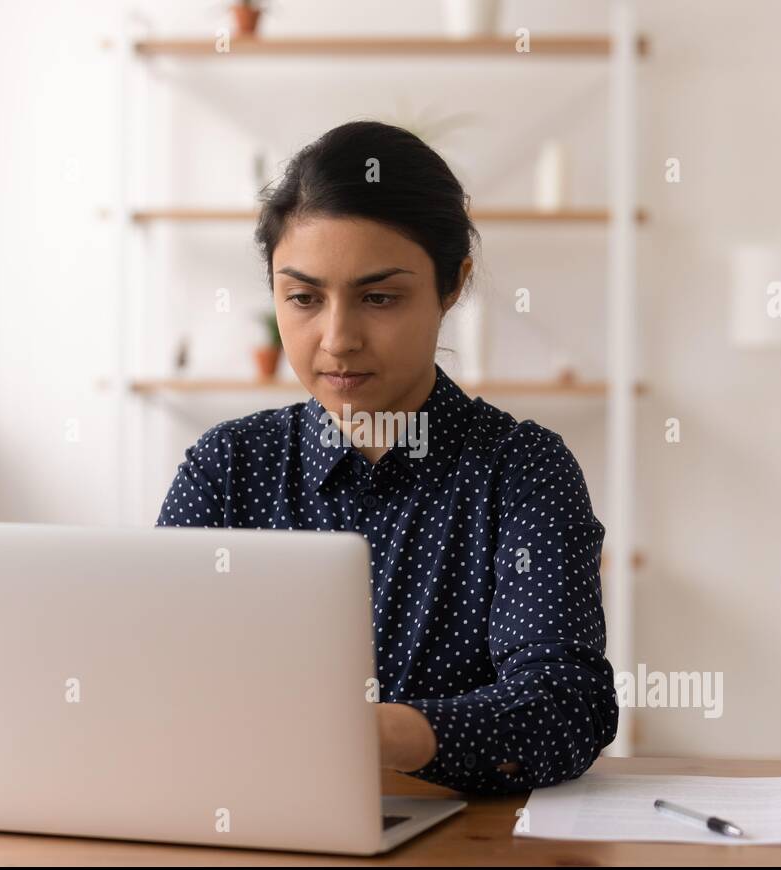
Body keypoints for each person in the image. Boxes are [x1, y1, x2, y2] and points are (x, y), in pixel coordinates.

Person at [157, 120, 618, 794]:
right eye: (304, 298)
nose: (338, 339)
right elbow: (159, 672)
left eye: (379, 298)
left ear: (452, 285)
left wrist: (376, 735)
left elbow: (566, 705)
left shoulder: (522, 470)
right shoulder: (227, 466)